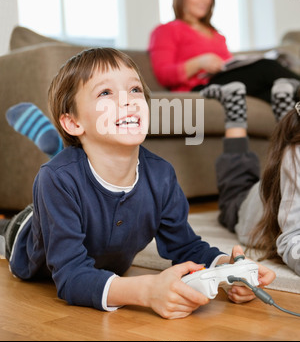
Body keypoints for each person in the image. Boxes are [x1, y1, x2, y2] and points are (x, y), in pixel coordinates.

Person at [0, 47, 275, 319]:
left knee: (69, 172)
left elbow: (186, 246)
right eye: (105, 93)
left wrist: (228, 267)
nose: (128, 101)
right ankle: (59, 152)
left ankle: (60, 148)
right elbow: (71, 277)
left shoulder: (161, 174)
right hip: (26, 234)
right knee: (20, 216)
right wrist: (145, 291)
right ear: (72, 122)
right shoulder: (55, 179)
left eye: (134, 90)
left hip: (73, 188)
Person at [148, 0, 300, 116]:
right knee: (266, 66)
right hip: (200, 88)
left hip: (227, 82)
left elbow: (229, 65)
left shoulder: (215, 34)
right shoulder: (166, 30)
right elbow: (164, 74)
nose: (205, 0)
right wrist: (199, 63)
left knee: (280, 92)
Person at [204, 80, 300, 276]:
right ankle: (234, 109)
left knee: (283, 155)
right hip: (252, 207)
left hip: (274, 187)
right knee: (234, 192)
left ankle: (276, 109)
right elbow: (291, 238)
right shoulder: (295, 152)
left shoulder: (294, 150)